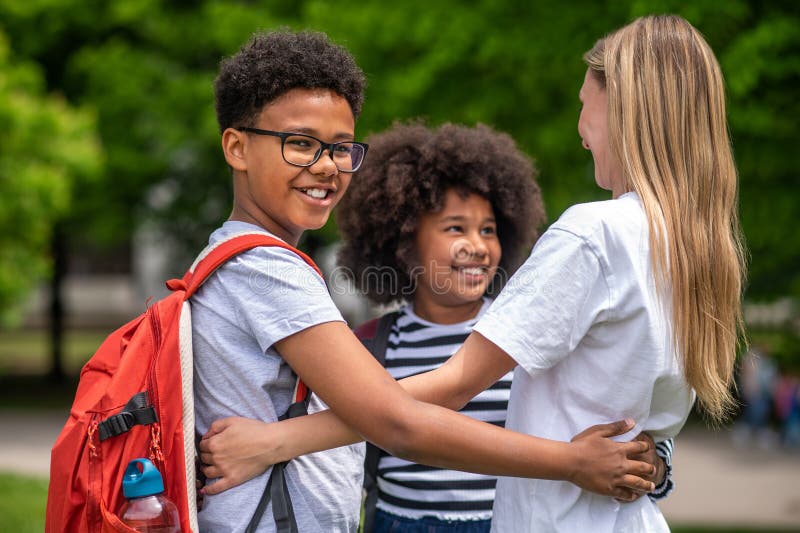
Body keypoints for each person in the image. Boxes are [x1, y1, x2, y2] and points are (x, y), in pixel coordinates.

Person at [200, 15, 743, 532]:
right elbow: (646, 424)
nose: (581, 130)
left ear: (623, 109)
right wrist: (637, 461)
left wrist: (277, 441)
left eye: (585, 105)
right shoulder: (696, 250)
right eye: (301, 143)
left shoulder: (595, 234)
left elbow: (434, 397)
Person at [199, 121, 674, 532]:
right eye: (454, 229)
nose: (477, 246)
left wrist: (657, 463)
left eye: (488, 230)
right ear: (405, 241)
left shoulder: (530, 335)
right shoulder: (370, 346)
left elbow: (622, 412)